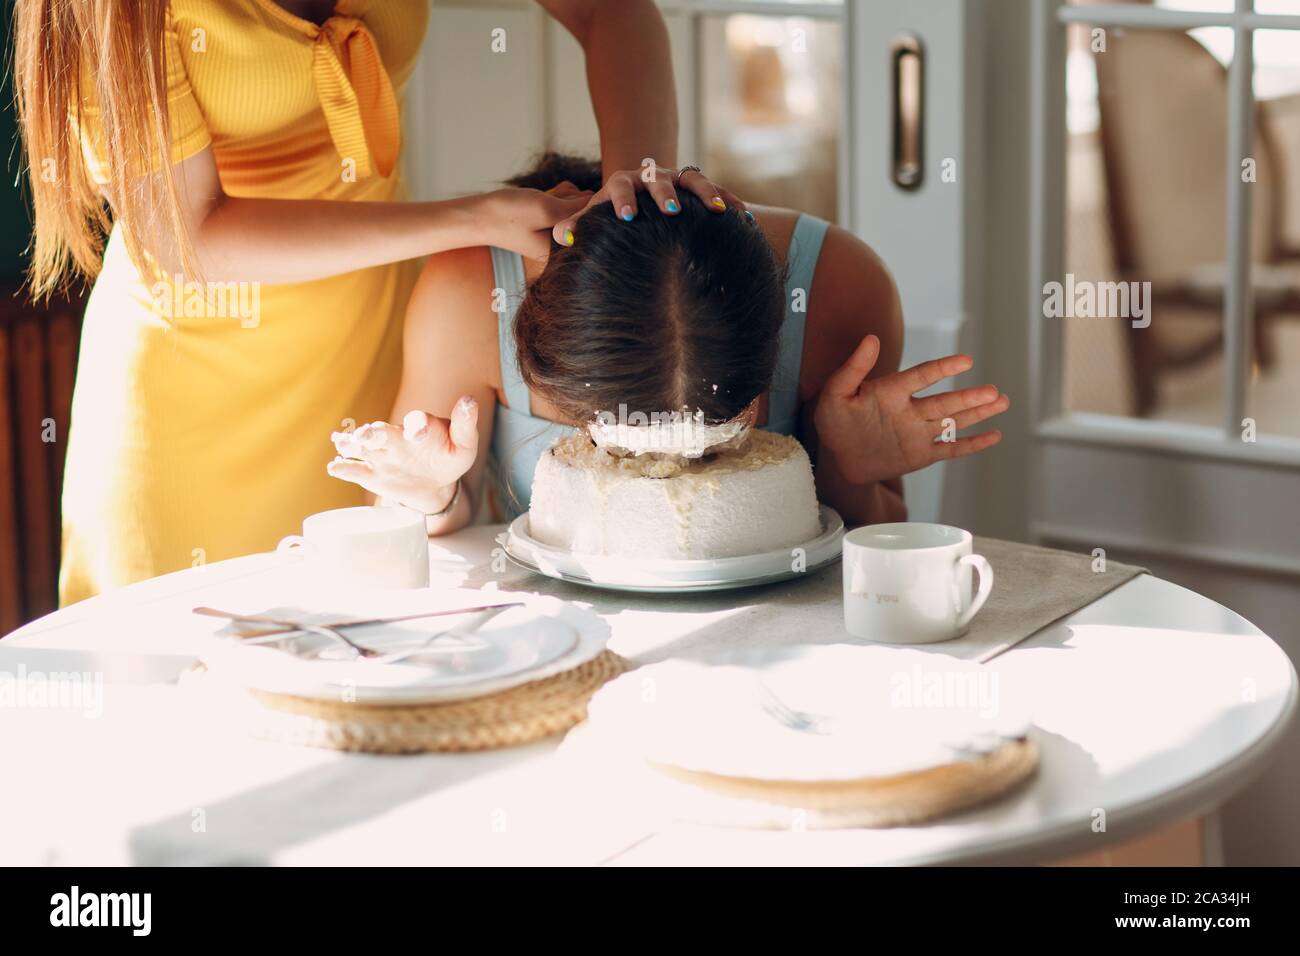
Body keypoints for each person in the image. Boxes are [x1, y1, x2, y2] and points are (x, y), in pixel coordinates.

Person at [13, 0, 719, 604]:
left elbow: (611, 10)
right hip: (194, 407)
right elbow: (188, 240)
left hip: (378, 357)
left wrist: (636, 182)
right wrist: (471, 220)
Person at [328, 155, 1009, 530]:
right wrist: (428, 497)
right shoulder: (470, 289)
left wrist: (849, 474)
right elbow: (421, 521)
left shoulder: (838, 288)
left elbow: (878, 537)